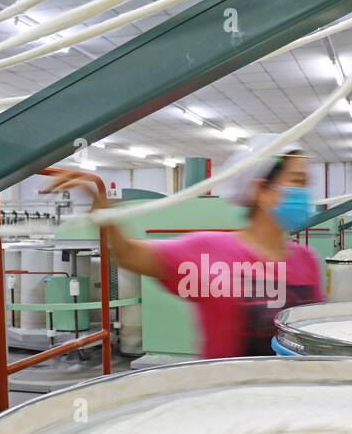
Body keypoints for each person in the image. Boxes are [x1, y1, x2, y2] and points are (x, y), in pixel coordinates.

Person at [45, 142, 325, 358]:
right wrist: (101, 210)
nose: (305, 192)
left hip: (294, 400)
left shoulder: (306, 261)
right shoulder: (212, 252)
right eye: (297, 182)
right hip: (228, 403)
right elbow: (128, 254)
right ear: (263, 190)